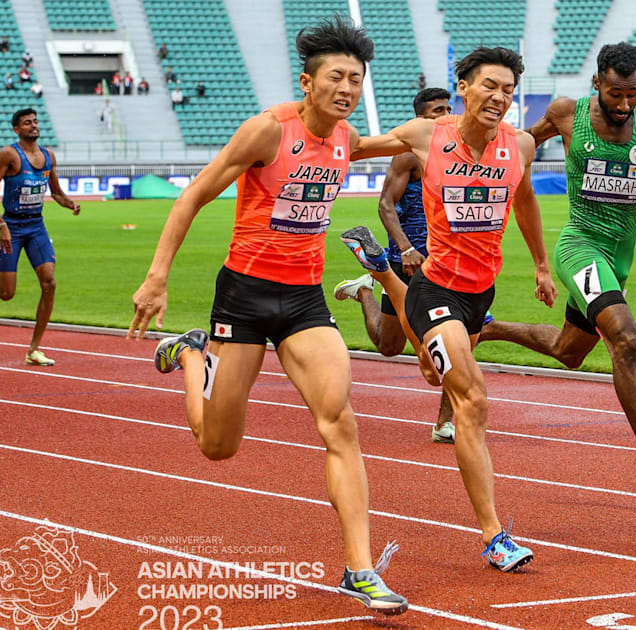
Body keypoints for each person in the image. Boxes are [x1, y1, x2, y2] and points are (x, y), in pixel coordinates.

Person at [126, 17, 408, 615]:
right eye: (337, 76)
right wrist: (156, 277)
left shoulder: (346, 137)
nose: (348, 87)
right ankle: (192, 354)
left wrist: (453, 126)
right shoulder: (266, 132)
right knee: (217, 447)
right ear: (307, 82)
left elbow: (397, 141)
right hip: (245, 299)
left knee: (341, 422)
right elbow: (194, 194)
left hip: (304, 300)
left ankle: (359, 569)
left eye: (357, 79)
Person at [341, 46, 558, 572]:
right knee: (472, 402)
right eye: (489, 85)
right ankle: (494, 535)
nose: (499, 97)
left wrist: (541, 265)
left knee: (442, 382)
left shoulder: (521, 145)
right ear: (463, 86)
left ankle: (380, 278)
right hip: (435, 289)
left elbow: (524, 201)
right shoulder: (424, 135)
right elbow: (354, 148)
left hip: (479, 294)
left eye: (508, 89)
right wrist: (302, 134)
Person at [477, 42, 636, 509]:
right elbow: (518, 145)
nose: (624, 106)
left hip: (619, 258)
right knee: (626, 340)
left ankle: (487, 328)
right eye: (615, 94)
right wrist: (486, 172)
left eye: (633, 95)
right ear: (597, 83)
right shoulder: (566, 114)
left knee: (569, 351)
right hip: (579, 247)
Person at [332, 87, 456, 443]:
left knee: (450, 340)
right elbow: (386, 205)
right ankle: (367, 289)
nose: (444, 115)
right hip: (409, 259)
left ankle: (444, 422)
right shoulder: (407, 155)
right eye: (436, 110)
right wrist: (405, 248)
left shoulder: (455, 152)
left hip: (442, 262)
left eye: (448, 109)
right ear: (420, 117)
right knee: (389, 346)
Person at [0, 108, 80, 366]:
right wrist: (1, 225)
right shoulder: (9, 155)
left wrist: (69, 203)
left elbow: (55, 192)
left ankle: (34, 349)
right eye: (27, 123)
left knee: (50, 284)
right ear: (17, 129)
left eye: (35, 121)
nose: (33, 126)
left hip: (36, 227)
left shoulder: (48, 156)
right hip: (11, 227)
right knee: (6, 294)